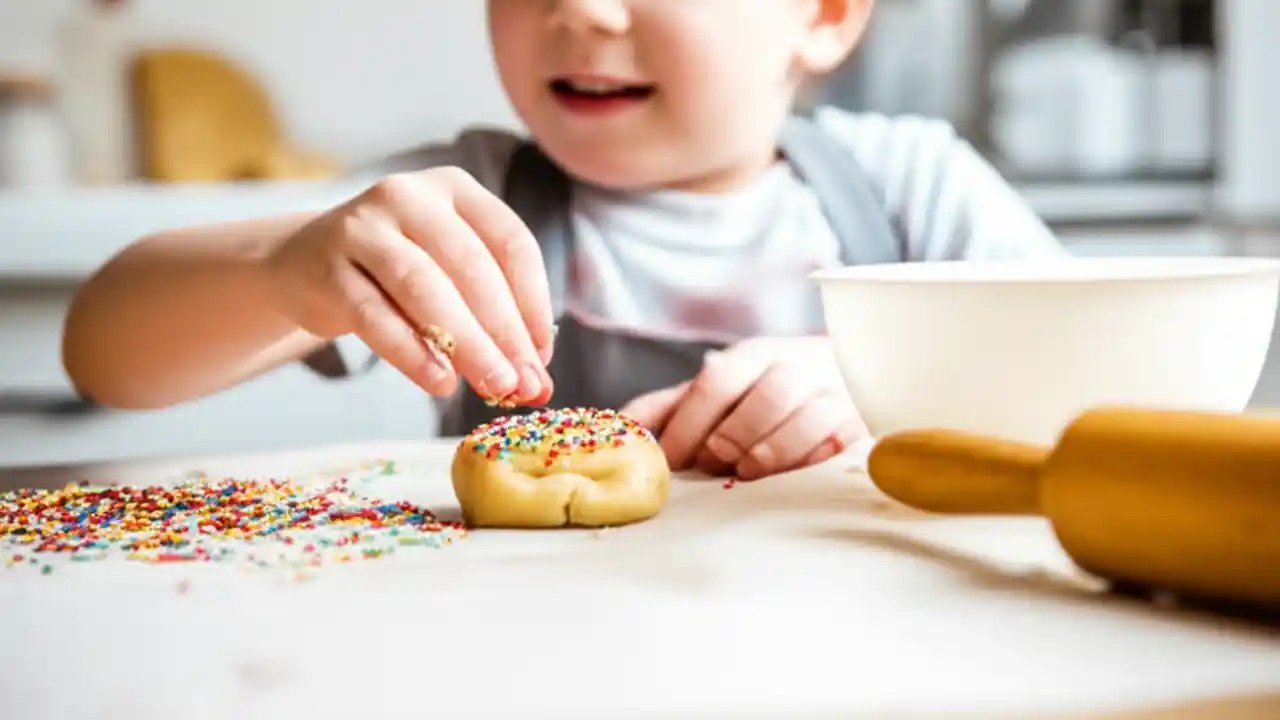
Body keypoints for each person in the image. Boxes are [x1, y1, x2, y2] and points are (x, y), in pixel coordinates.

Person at [62, 0, 1066, 481]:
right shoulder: (464, 203)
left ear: (827, 14)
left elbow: (1117, 381)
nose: (579, 12)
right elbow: (105, 351)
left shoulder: (910, 189)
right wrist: (285, 274)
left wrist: (891, 387)